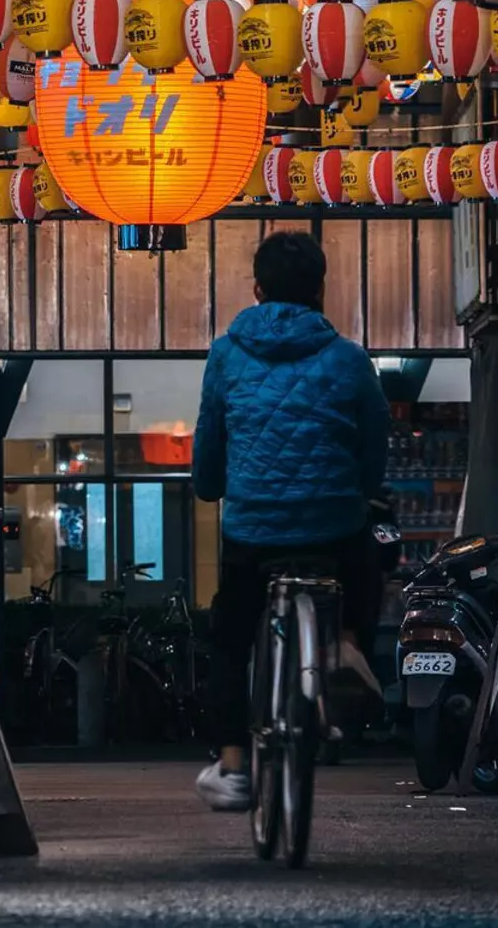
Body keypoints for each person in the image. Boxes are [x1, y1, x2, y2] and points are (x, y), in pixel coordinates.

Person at [192, 231, 391, 811]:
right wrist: (362, 488)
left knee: (229, 637)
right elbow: (375, 444)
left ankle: (232, 766)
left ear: (257, 289)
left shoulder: (226, 354)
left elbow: (210, 441)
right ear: (321, 291)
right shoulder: (350, 358)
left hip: (252, 528)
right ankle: (347, 647)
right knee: (364, 565)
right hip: (332, 524)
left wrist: (212, 487)